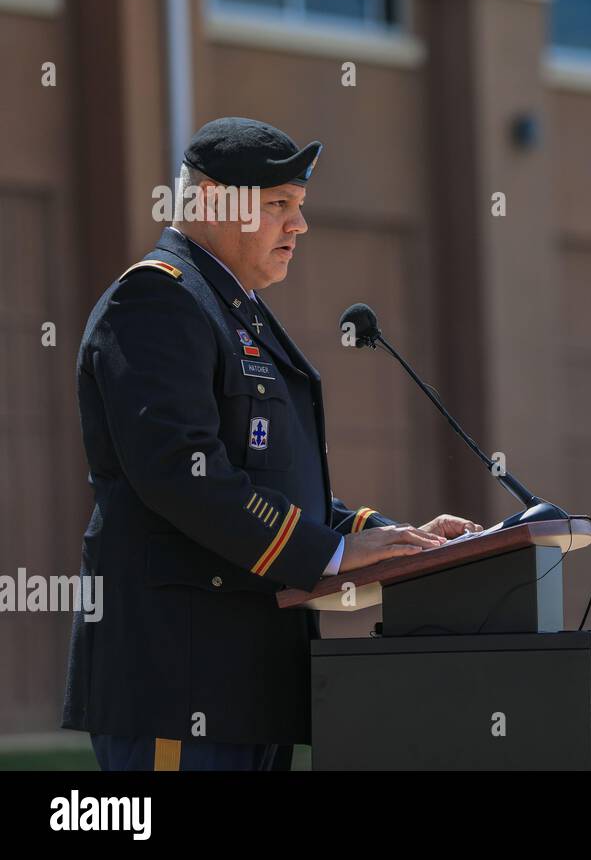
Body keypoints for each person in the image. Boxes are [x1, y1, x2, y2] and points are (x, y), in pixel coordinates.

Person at [62, 116, 481, 770]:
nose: (298, 225)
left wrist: (398, 540)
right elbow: (183, 475)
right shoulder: (155, 301)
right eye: (278, 205)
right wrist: (333, 551)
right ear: (209, 202)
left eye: (300, 206)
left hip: (249, 684)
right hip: (179, 678)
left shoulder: (232, 310)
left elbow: (269, 482)